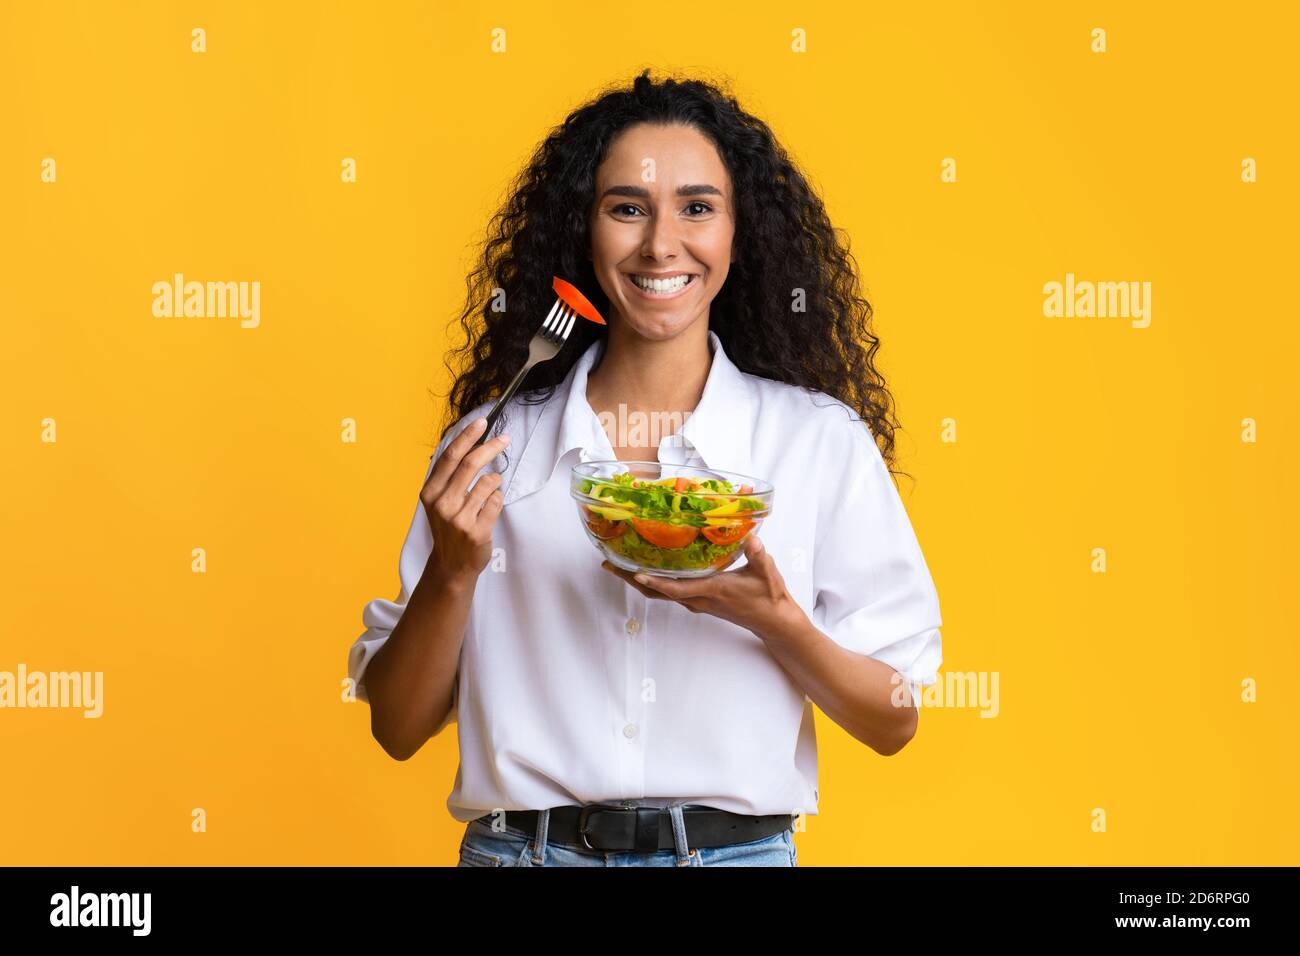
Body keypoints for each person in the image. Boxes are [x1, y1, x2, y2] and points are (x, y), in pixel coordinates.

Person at [348, 70, 943, 867]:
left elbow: (894, 719)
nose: (662, 244)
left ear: (740, 232)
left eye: (697, 208)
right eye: (627, 207)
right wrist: (453, 572)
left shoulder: (817, 444)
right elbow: (397, 727)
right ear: (583, 233)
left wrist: (776, 620)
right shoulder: (494, 447)